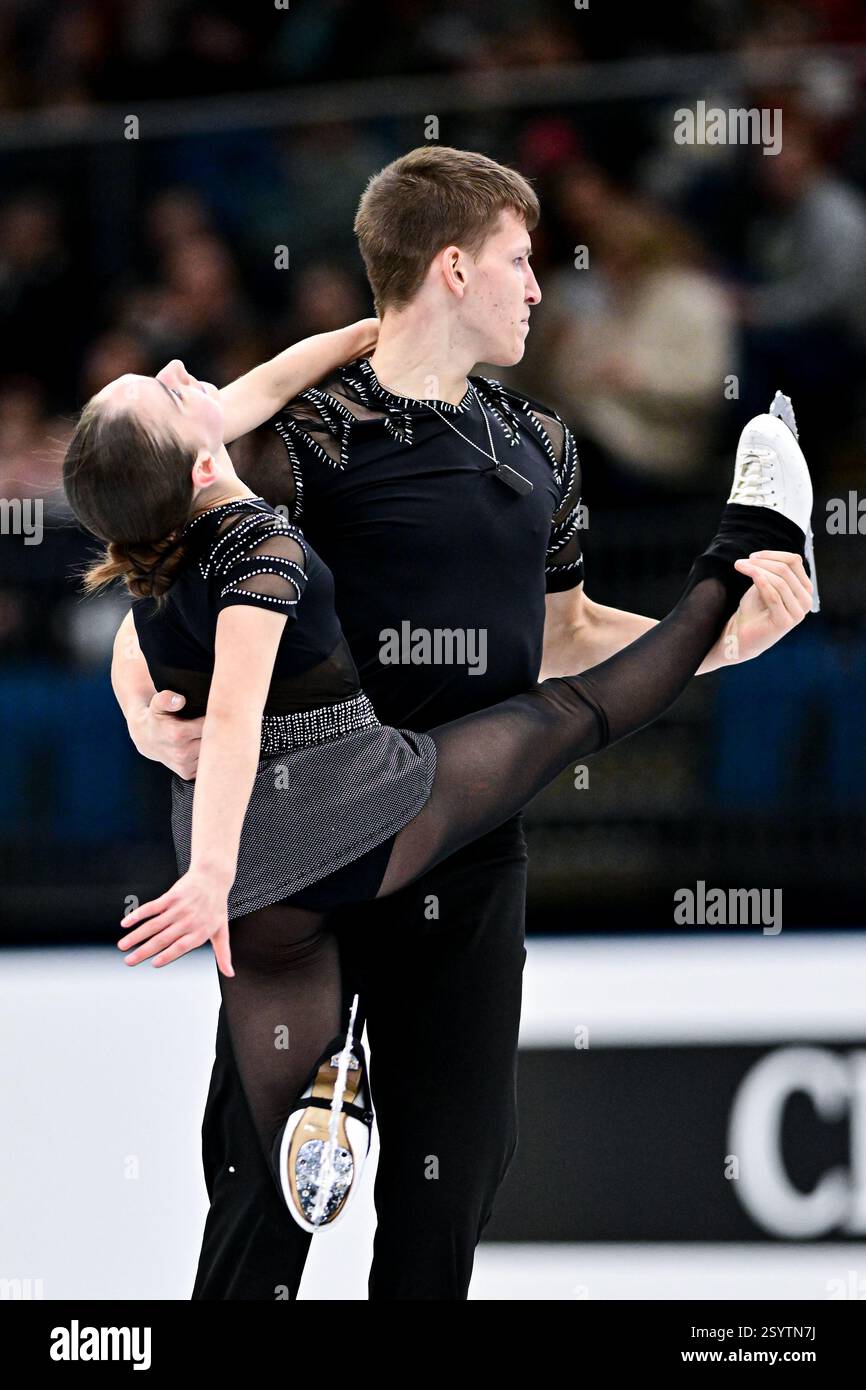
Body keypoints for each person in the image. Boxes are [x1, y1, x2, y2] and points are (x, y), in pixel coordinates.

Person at [105, 146, 815, 1300]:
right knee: (262, 1190)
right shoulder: (304, 436)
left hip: (466, 852)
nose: (539, 286)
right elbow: (161, 606)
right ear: (451, 268)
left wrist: (730, 642)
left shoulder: (541, 445)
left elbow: (571, 633)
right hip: (316, 847)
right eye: (519, 261)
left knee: (451, 1184)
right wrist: (145, 717)